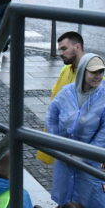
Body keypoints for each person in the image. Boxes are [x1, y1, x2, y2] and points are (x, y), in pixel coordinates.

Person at [46, 54, 105, 208]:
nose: (98, 76)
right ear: (82, 72)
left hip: (90, 167)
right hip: (65, 162)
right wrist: (58, 142)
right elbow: (51, 115)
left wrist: (83, 155)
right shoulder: (67, 92)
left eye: (101, 72)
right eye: (93, 72)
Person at [37, 31, 85, 165]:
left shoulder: (90, 75)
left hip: (75, 145)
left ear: (77, 47)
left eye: (64, 49)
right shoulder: (67, 70)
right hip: (62, 140)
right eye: (60, 50)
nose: (61, 53)